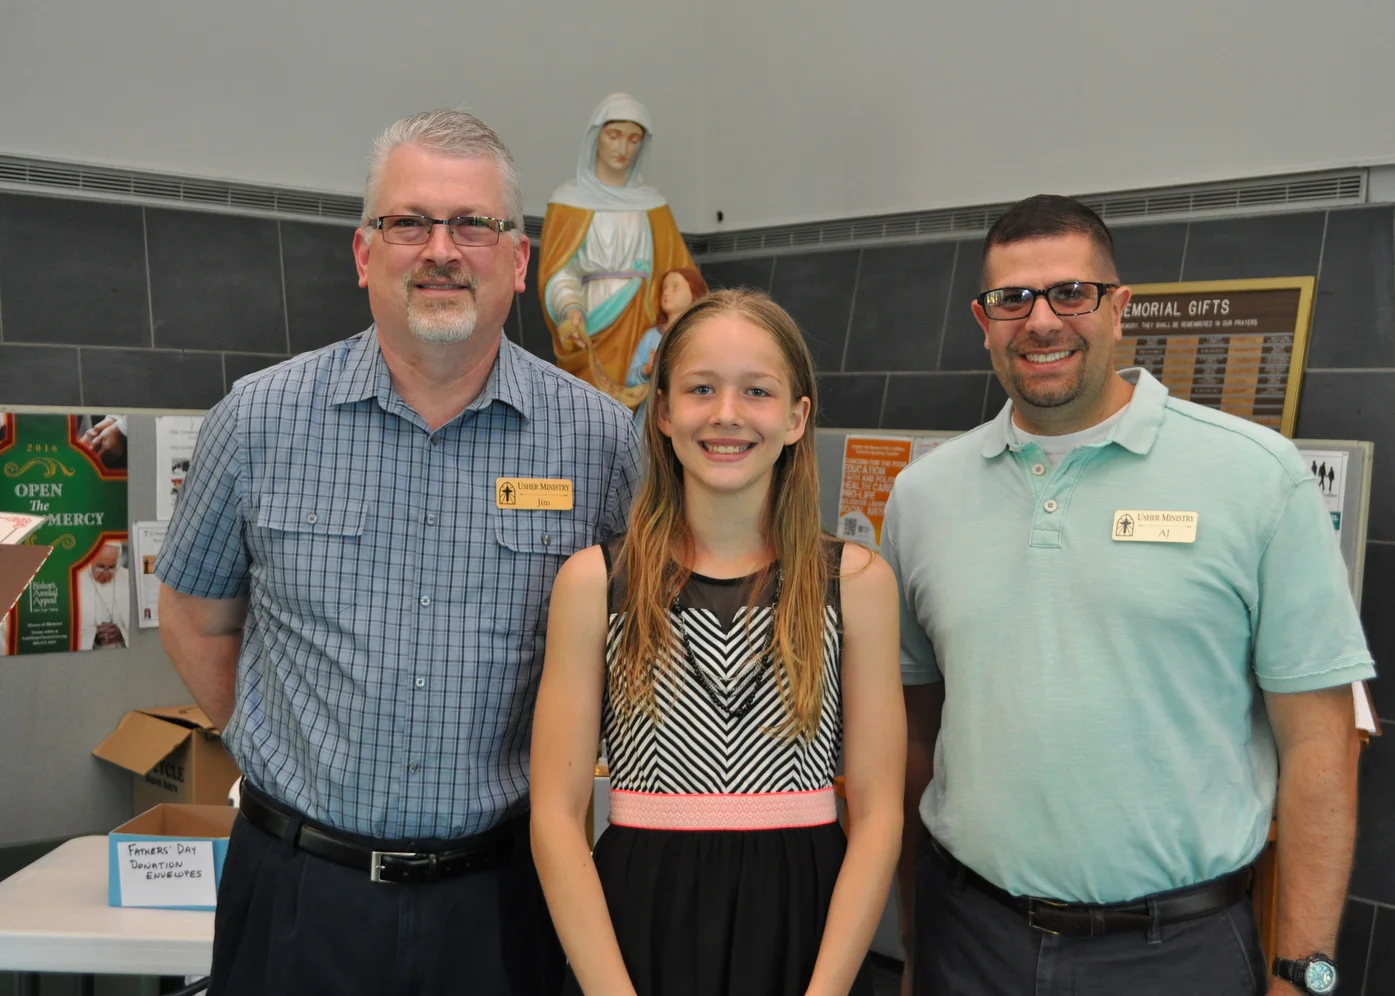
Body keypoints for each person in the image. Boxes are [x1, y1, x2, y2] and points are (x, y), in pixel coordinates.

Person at [154, 109, 641, 996]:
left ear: (520, 260)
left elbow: (636, 649)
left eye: (473, 225)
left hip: (502, 903)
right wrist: (289, 754)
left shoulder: (602, 443)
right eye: (408, 222)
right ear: (363, 252)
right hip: (299, 892)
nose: (441, 250)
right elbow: (194, 614)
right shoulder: (257, 421)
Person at [884, 195, 1373, 996]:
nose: (1041, 321)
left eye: (1070, 293)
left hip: (1177, 953)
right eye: (1013, 300)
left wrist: (1303, 971)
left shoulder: (1256, 476)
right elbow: (914, 733)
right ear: (983, 321)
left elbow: (1321, 743)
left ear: (1119, 309)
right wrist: (913, 937)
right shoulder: (923, 497)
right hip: (969, 943)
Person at [531, 289, 905, 996]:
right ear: (664, 411)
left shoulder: (854, 583)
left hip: (805, 920)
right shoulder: (595, 582)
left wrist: (825, 991)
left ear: (797, 418)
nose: (727, 414)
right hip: (639, 918)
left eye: (756, 391)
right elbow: (554, 814)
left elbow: (880, 812)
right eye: (701, 388)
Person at [540, 92, 696, 410]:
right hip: (590, 319)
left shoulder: (653, 206)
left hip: (646, 323)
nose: (623, 148)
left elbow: (681, 273)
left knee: (643, 417)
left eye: (634, 139)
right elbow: (560, 269)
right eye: (614, 136)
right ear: (597, 137)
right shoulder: (568, 201)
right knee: (587, 410)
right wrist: (570, 308)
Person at [624, 266, 709, 430]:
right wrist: (646, 370)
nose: (667, 293)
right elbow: (630, 379)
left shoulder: (700, 334)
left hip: (688, 407)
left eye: (675, 287)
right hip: (652, 412)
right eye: (664, 288)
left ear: (694, 294)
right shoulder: (651, 336)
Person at [74, 541, 130, 650]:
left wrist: (121, 633)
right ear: (91, 560)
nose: (105, 573)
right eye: (100, 567)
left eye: (111, 568)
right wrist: (92, 636)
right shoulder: (76, 579)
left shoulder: (127, 578)